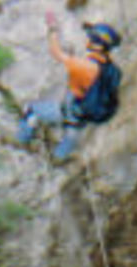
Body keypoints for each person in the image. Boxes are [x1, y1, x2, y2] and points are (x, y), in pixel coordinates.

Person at [16, 12, 121, 160]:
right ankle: (58, 158)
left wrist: (53, 28)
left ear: (97, 44)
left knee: (32, 111)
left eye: (91, 37)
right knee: (71, 136)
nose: (87, 38)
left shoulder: (83, 66)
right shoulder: (112, 70)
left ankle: (21, 141)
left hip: (71, 110)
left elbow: (56, 52)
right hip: (86, 116)